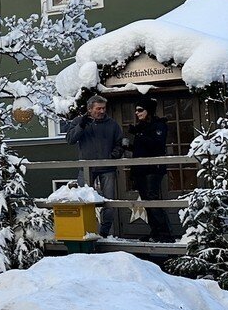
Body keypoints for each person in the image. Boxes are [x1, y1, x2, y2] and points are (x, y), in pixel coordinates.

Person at [66, 94, 124, 237]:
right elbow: (70, 139)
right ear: (90, 109)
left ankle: (105, 233)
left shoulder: (112, 124)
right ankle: (86, 231)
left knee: (109, 202)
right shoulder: (80, 121)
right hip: (86, 168)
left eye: (103, 108)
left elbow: (120, 142)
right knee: (83, 201)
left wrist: (114, 155)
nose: (102, 111)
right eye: (98, 108)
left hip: (107, 167)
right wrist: (81, 126)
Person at [127, 97, 173, 242]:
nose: (137, 113)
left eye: (140, 110)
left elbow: (157, 145)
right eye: (136, 110)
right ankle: (155, 232)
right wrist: (128, 146)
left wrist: (139, 135)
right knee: (147, 201)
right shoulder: (141, 127)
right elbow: (142, 149)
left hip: (153, 169)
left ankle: (165, 233)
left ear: (149, 111)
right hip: (140, 169)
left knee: (152, 200)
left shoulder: (158, 125)